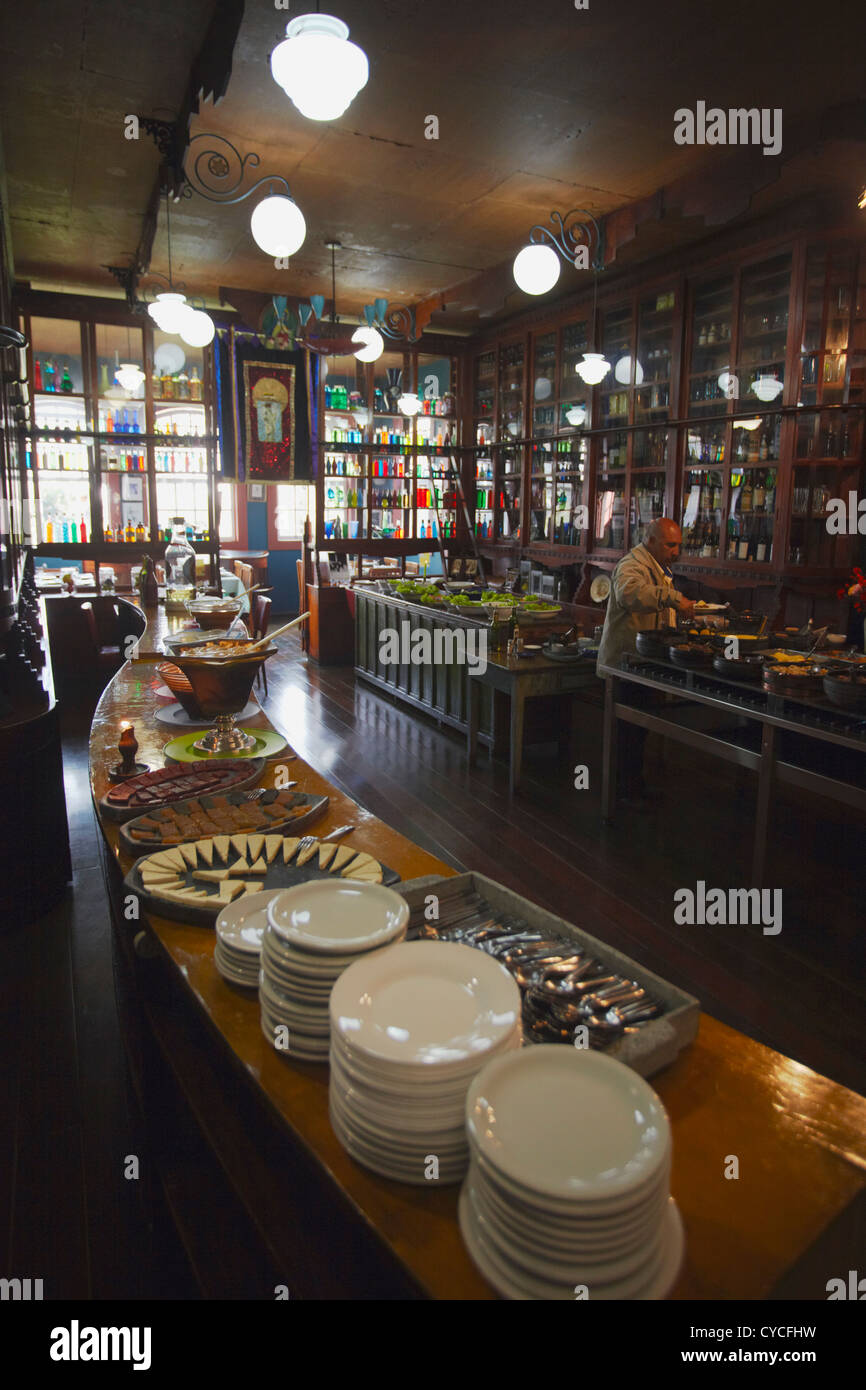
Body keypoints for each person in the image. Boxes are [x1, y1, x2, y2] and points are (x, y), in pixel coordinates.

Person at [596, 519, 696, 808]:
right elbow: (629, 594)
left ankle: (633, 787)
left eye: (678, 545)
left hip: (643, 663)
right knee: (627, 733)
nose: (676, 551)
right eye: (670, 545)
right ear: (650, 541)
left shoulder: (657, 565)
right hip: (625, 664)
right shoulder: (632, 565)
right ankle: (622, 793)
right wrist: (672, 598)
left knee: (638, 731)